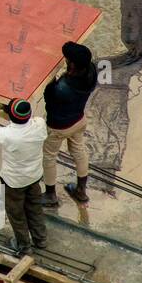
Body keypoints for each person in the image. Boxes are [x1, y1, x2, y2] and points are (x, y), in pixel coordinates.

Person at [0, 93, 48, 255]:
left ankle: (24, 246)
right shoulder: (40, 125)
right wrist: (10, 109)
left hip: (14, 182)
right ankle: (41, 240)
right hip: (34, 177)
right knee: (35, 208)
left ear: (10, 115)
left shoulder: (7, 135)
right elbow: (27, 117)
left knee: (16, 213)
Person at [40, 41, 98, 207]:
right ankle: (81, 191)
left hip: (59, 127)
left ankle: (50, 195)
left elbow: (49, 99)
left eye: (67, 59)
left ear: (72, 65)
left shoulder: (62, 89)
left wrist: (51, 79)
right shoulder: (91, 72)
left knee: (49, 156)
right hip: (79, 120)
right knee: (79, 151)